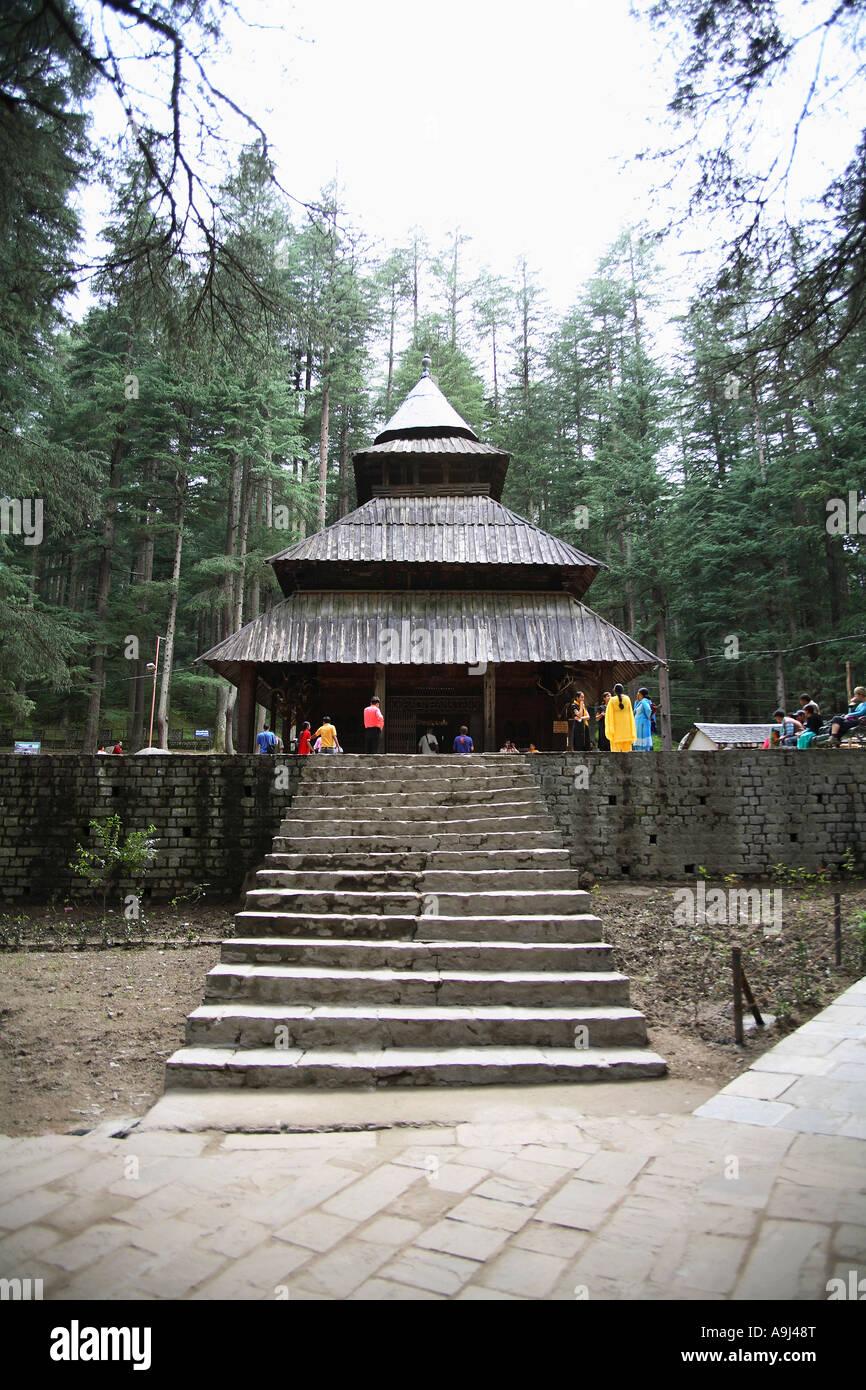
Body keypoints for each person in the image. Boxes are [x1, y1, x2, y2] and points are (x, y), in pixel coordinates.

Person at [604, 684, 636, 752]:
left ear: (614, 691)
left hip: (616, 730)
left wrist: (610, 729)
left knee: (616, 752)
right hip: (627, 729)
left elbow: (609, 715)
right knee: (627, 751)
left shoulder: (612, 700)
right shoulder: (627, 699)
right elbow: (631, 713)